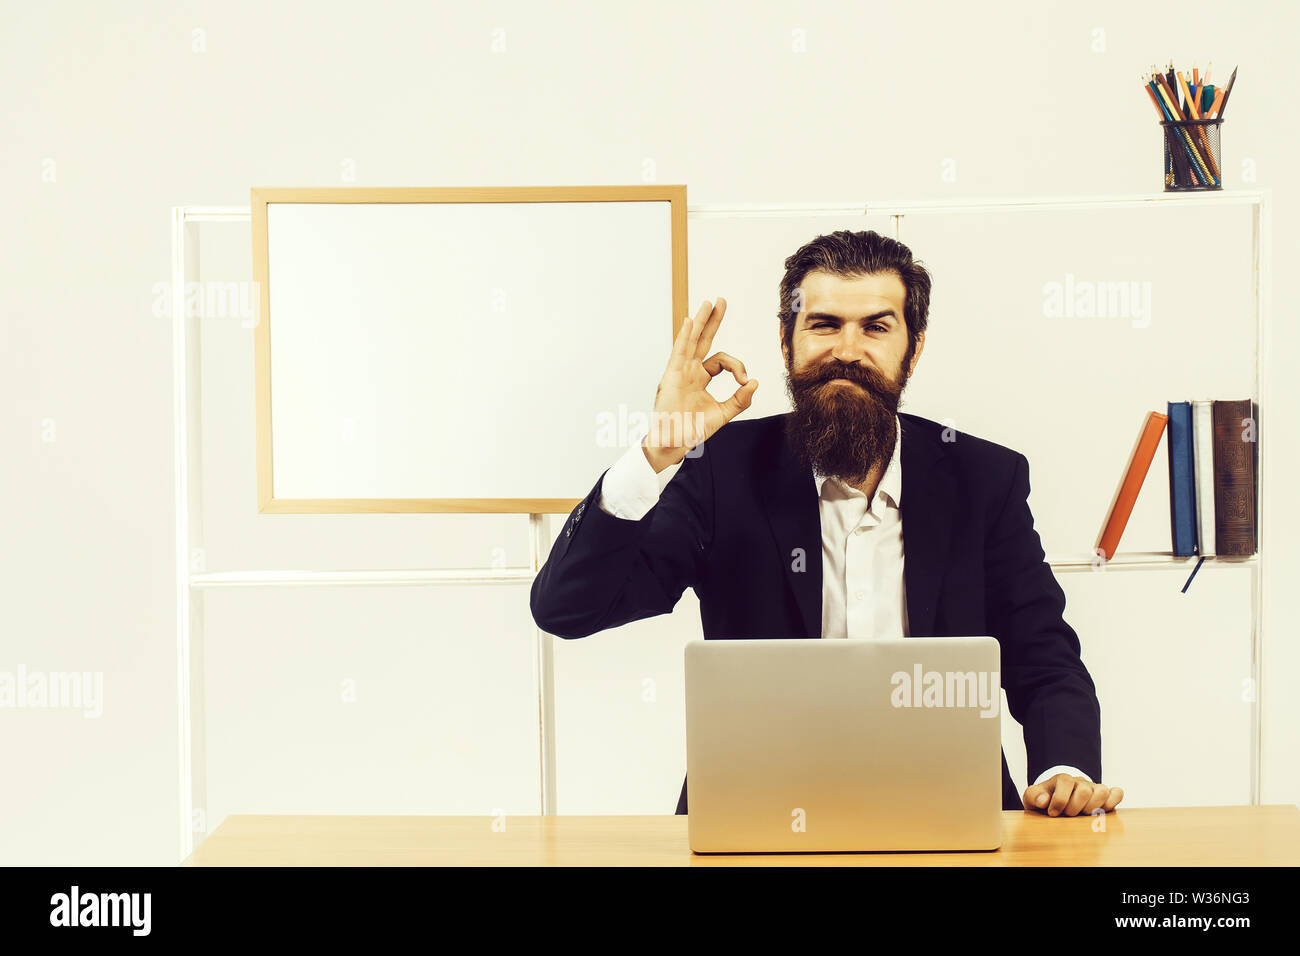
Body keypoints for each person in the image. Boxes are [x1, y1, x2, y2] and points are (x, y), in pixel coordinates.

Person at [531, 229, 1123, 818]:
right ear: (787, 345)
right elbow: (567, 609)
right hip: (754, 816)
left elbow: (1043, 657)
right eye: (823, 325)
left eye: (875, 326)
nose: (847, 349)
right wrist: (654, 455)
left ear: (912, 350)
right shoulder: (720, 471)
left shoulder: (983, 479)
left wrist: (1063, 770)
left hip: (951, 812)